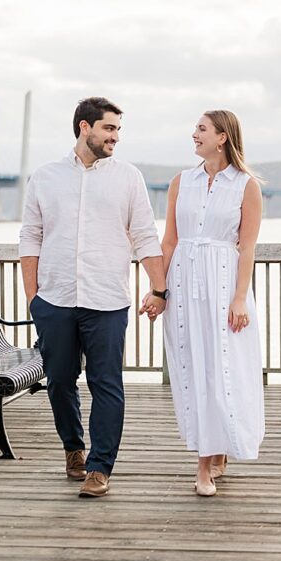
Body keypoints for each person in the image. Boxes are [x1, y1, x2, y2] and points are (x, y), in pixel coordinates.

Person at [19, 97, 167, 498]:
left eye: (118, 129)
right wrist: (34, 298)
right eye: (109, 128)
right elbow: (31, 236)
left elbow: (145, 235)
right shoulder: (45, 176)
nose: (115, 136)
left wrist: (160, 288)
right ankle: (73, 448)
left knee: (107, 384)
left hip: (107, 300)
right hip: (55, 300)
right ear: (85, 127)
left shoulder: (128, 177)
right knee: (60, 381)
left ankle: (100, 467)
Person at [158, 112, 266, 497]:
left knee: (222, 367)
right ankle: (207, 455)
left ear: (222, 137)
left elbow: (247, 246)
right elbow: (169, 241)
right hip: (184, 282)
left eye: (201, 129)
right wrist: (157, 290)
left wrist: (240, 298)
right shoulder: (180, 182)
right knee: (194, 367)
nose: (194, 134)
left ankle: (211, 459)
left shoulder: (245, 185)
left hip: (223, 282)